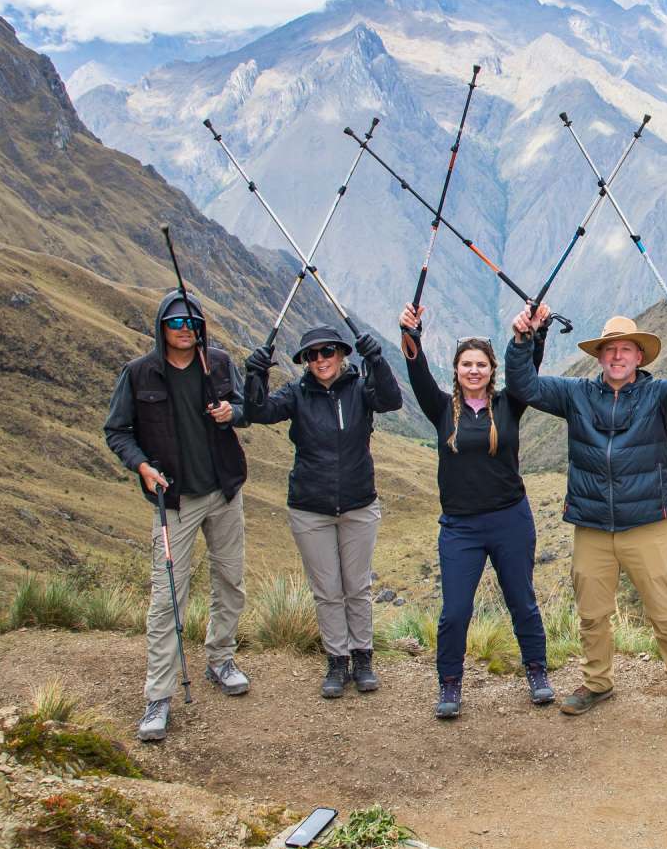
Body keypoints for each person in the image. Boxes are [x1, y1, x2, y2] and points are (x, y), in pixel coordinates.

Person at [506, 301, 667, 726]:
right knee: (592, 612)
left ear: (639, 356)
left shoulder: (660, 396)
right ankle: (597, 681)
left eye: (626, 350)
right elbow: (523, 385)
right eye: (609, 350)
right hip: (592, 524)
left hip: (648, 523)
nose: (617, 357)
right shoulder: (575, 394)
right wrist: (522, 340)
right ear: (599, 356)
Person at [104, 291, 253, 742]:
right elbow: (117, 431)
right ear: (161, 327)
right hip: (176, 501)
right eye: (175, 322)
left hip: (224, 491)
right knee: (168, 595)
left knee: (230, 579)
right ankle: (158, 696)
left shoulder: (220, 364)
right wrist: (144, 467)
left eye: (192, 321)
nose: (185, 329)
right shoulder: (139, 373)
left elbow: (247, 410)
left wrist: (233, 413)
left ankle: (220, 659)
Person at [399, 305, 553, 719]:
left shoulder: (510, 403)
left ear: (492, 369)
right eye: (466, 364)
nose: (473, 370)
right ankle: (449, 684)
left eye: (481, 364)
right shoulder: (440, 408)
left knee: (522, 600)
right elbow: (416, 371)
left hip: (509, 520)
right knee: (455, 611)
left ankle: (537, 672)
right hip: (460, 527)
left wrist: (535, 332)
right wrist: (409, 333)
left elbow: (529, 368)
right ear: (455, 368)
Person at [242, 323, 402, 700]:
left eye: (327, 352)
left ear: (342, 354)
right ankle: (337, 660)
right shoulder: (296, 394)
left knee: (356, 586)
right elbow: (258, 411)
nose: (320, 360)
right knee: (327, 590)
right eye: (311, 355)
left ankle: (363, 658)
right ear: (304, 362)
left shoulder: (361, 388)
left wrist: (377, 360)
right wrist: (255, 374)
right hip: (310, 509)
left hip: (359, 505)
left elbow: (391, 400)